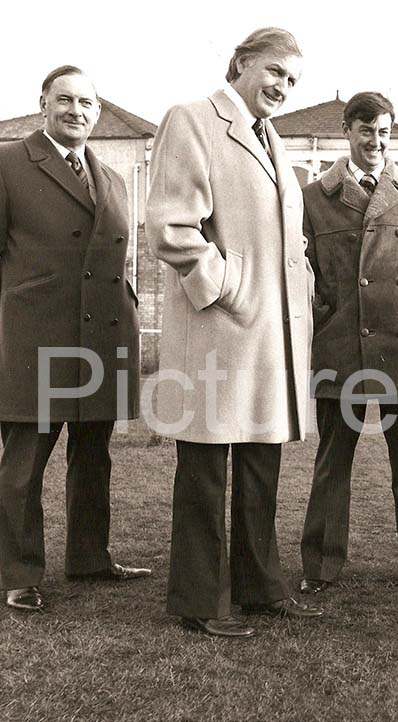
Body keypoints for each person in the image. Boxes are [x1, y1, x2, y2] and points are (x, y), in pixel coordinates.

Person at [146, 27, 321, 638]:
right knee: (204, 465)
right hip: (218, 329)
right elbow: (171, 225)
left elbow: (280, 234)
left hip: (269, 335)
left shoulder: (271, 139)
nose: (283, 87)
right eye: (275, 71)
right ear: (242, 63)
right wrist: (229, 283)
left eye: (293, 80)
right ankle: (198, 601)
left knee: (258, 463)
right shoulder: (193, 119)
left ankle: (259, 588)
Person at [0, 66, 151, 613]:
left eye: (87, 102)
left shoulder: (110, 177)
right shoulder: (8, 163)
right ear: (43, 102)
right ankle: (18, 574)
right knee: (23, 465)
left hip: (101, 341)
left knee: (94, 456)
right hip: (34, 341)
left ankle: (90, 557)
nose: (76, 111)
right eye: (64, 100)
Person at [299, 91, 398, 595]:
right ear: (347, 131)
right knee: (332, 463)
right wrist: (324, 319)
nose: (375, 141)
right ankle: (320, 567)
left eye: (384, 131)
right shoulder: (315, 196)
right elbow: (304, 270)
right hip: (342, 346)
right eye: (366, 131)